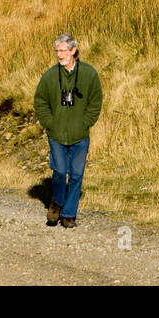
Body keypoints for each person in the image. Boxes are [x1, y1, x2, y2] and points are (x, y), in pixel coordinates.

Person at [34, 34, 103, 228]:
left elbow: (95, 101)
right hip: (56, 135)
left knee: (76, 175)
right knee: (59, 172)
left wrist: (86, 122)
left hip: (80, 135)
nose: (59, 54)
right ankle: (58, 201)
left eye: (63, 50)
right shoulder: (49, 76)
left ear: (73, 51)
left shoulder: (89, 74)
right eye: (57, 51)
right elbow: (40, 101)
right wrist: (50, 122)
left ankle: (69, 214)